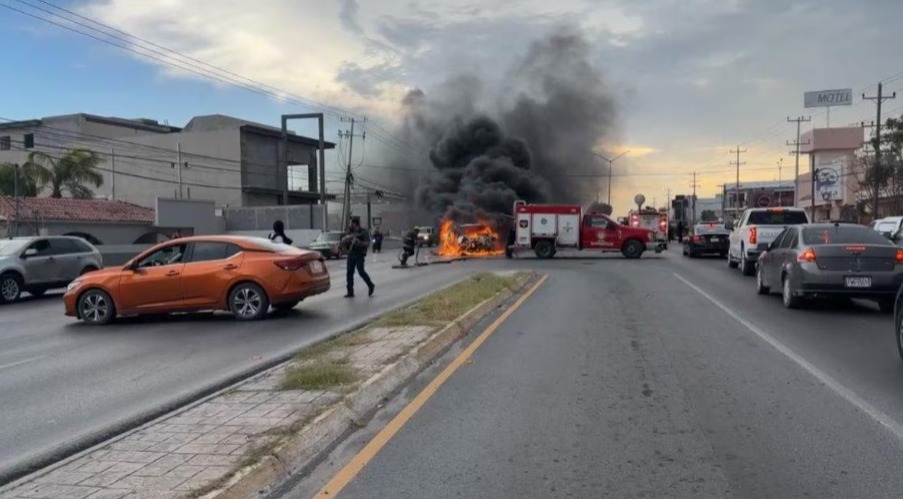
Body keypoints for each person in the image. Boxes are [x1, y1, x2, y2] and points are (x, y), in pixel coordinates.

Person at [343, 217, 375, 298]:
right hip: (351, 253)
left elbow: (367, 244)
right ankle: (350, 291)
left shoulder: (363, 232)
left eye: (351, 223)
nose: (350, 225)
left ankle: (370, 285)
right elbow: (344, 241)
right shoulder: (350, 232)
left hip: (359, 254)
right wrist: (346, 240)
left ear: (354, 224)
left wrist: (358, 242)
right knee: (349, 272)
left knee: (361, 271)